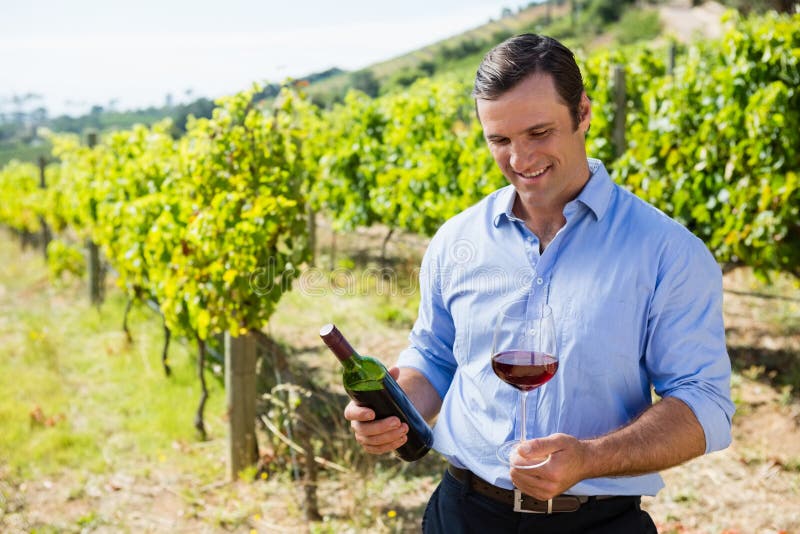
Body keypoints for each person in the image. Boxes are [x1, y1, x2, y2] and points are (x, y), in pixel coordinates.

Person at [344, 33, 734, 533]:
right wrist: (396, 412)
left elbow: (705, 403)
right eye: (500, 140)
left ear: (584, 112)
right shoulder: (457, 239)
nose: (520, 160)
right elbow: (436, 355)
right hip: (462, 514)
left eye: (539, 133)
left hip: (597, 524)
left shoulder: (666, 251)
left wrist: (587, 459)